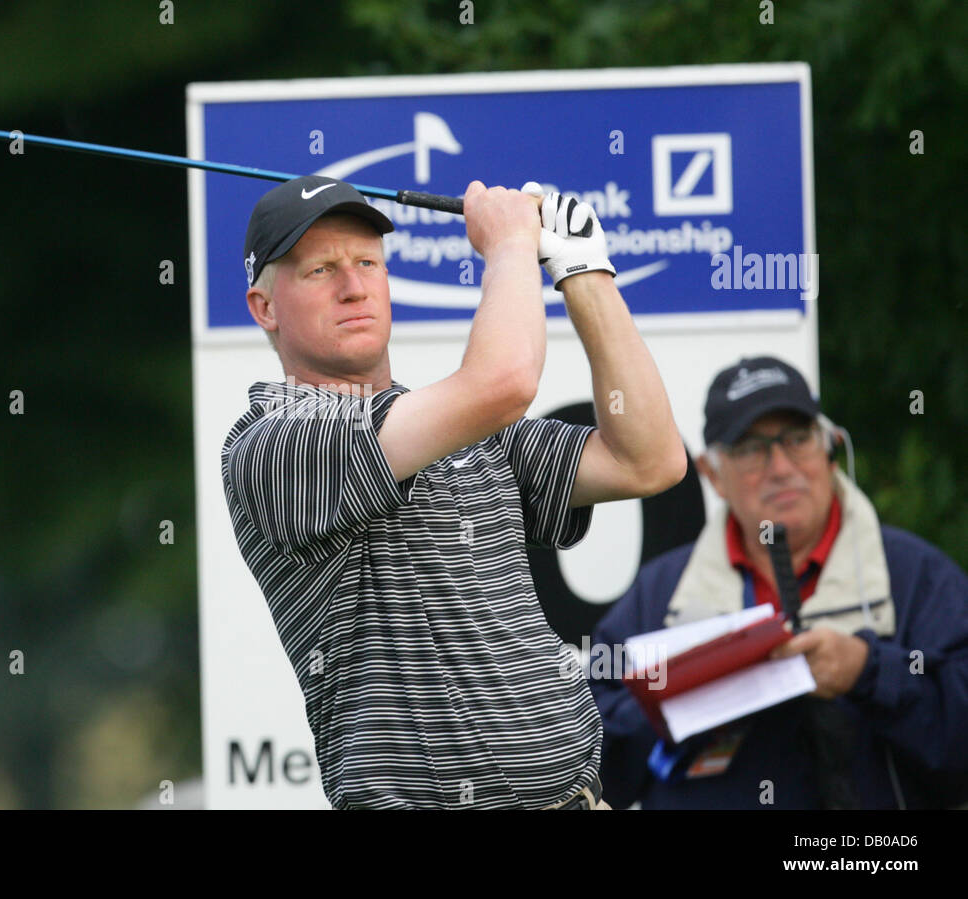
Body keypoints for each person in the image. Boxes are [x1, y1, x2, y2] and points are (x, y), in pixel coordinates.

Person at [219, 174, 687, 809]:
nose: (354, 285)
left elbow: (650, 459)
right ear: (264, 307)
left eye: (367, 262)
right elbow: (504, 381)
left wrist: (584, 272)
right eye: (320, 270)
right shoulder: (273, 444)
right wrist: (511, 248)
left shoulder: (467, 433)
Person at [590, 356, 968, 809]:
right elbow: (589, 765)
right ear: (712, 474)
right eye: (751, 447)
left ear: (829, 450)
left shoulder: (916, 576)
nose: (781, 466)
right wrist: (681, 694)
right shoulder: (658, 595)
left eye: (798, 438)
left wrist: (869, 670)